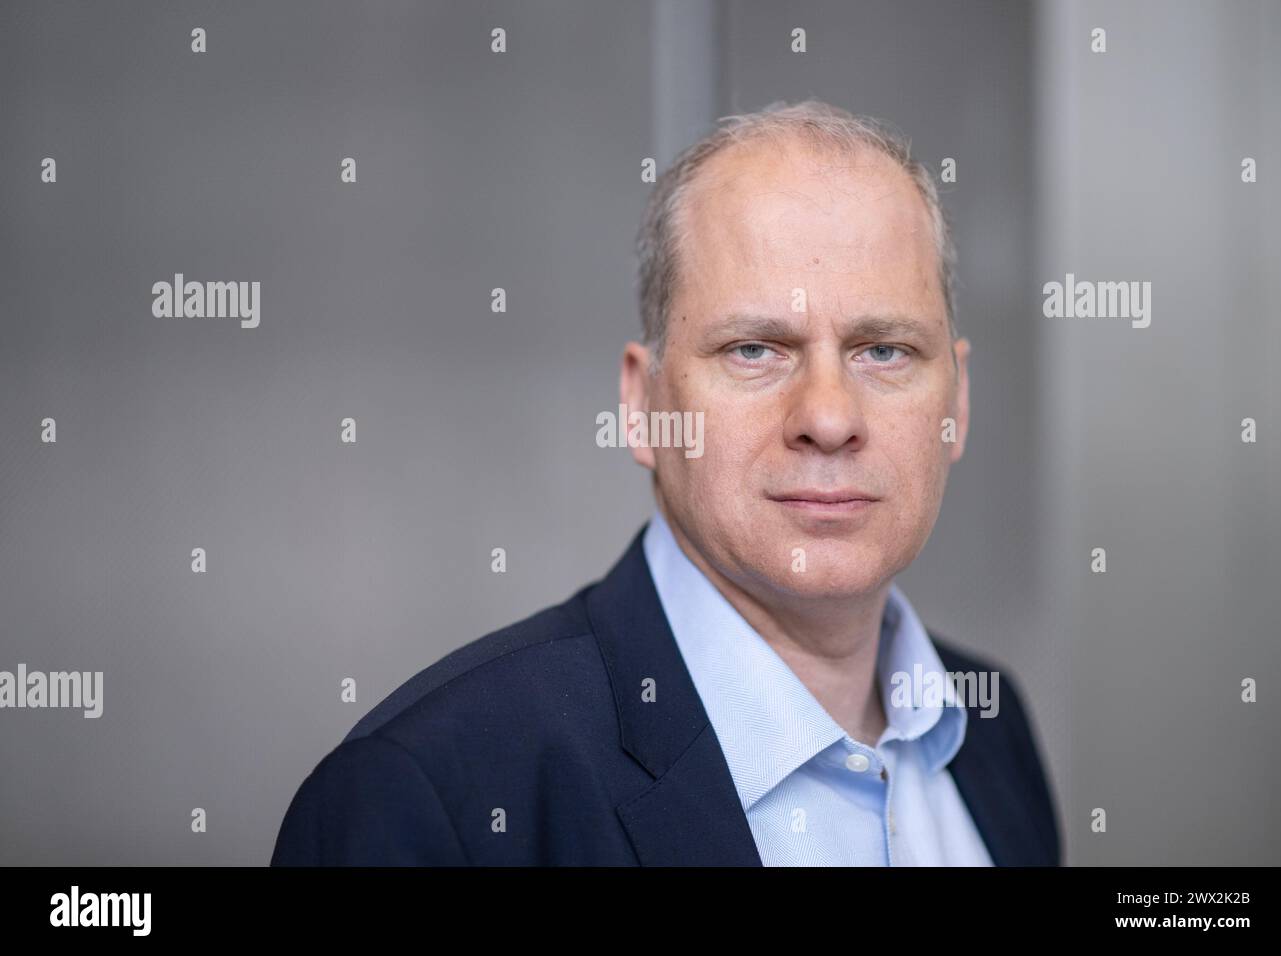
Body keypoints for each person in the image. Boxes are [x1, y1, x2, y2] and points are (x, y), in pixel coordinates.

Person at [271, 99, 1061, 866]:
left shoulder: (990, 727)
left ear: (955, 399)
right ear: (642, 405)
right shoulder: (428, 797)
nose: (828, 417)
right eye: (755, 349)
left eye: (884, 350)